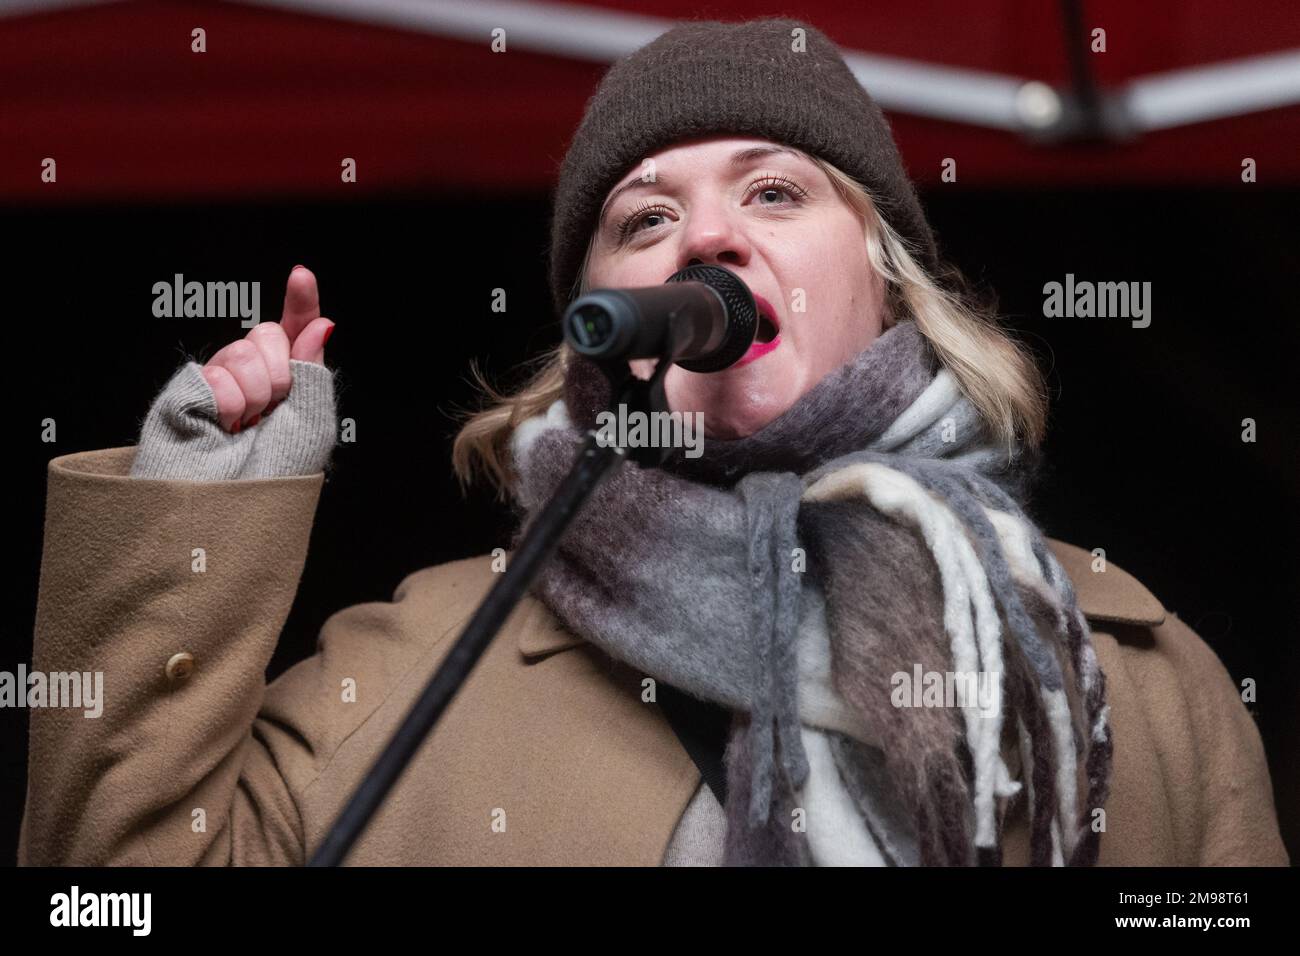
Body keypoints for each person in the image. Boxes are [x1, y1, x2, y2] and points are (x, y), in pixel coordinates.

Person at [20, 17, 1288, 867]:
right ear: (605, 336)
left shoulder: (1124, 668)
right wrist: (203, 499)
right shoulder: (414, 672)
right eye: (645, 219)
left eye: (775, 190)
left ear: (889, 284)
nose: (707, 240)